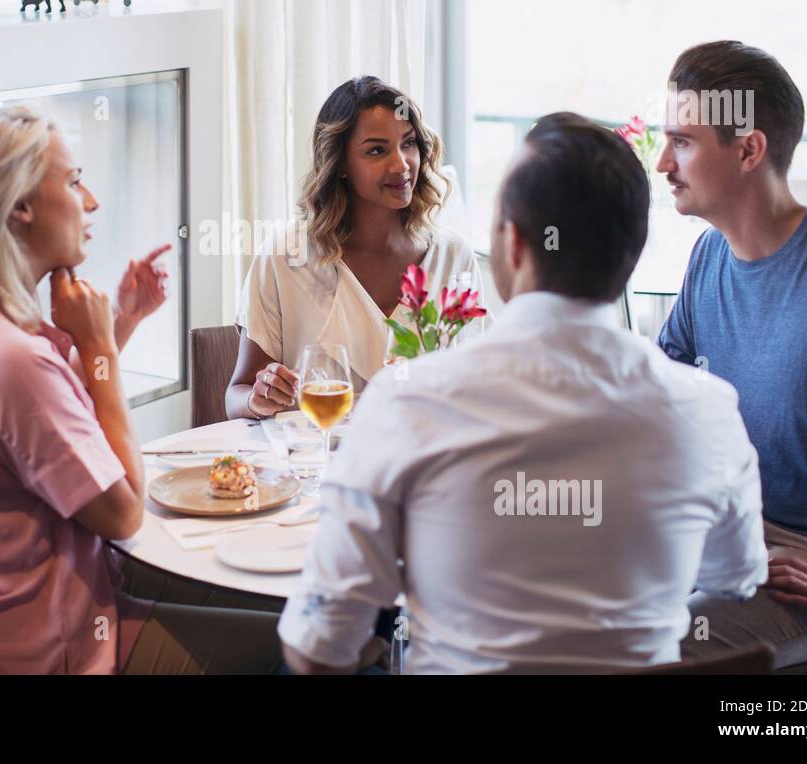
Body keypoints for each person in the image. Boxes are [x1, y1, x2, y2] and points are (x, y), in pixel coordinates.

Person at [277, 113, 769, 673]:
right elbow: (735, 577)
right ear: (634, 249)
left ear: (512, 244)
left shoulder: (408, 402)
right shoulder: (708, 411)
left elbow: (317, 648)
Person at [0, 105, 285, 674]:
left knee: (281, 611)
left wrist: (120, 321)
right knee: (316, 640)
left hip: (18, 633)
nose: (93, 200)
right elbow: (126, 512)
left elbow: (43, 429)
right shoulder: (12, 361)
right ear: (20, 205)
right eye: (75, 180)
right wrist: (100, 346)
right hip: (72, 653)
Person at [655, 41, 807, 667]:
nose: (662, 162)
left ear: (749, 149)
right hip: (730, 541)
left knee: (650, 645)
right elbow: (661, 410)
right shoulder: (708, 258)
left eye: (682, 141)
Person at [227, 75, 485, 419]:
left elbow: (477, 386)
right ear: (342, 164)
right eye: (376, 150)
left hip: (422, 461)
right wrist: (257, 399)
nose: (401, 164)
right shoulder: (286, 256)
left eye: (408, 144)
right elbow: (237, 394)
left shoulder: (453, 257)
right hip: (316, 463)